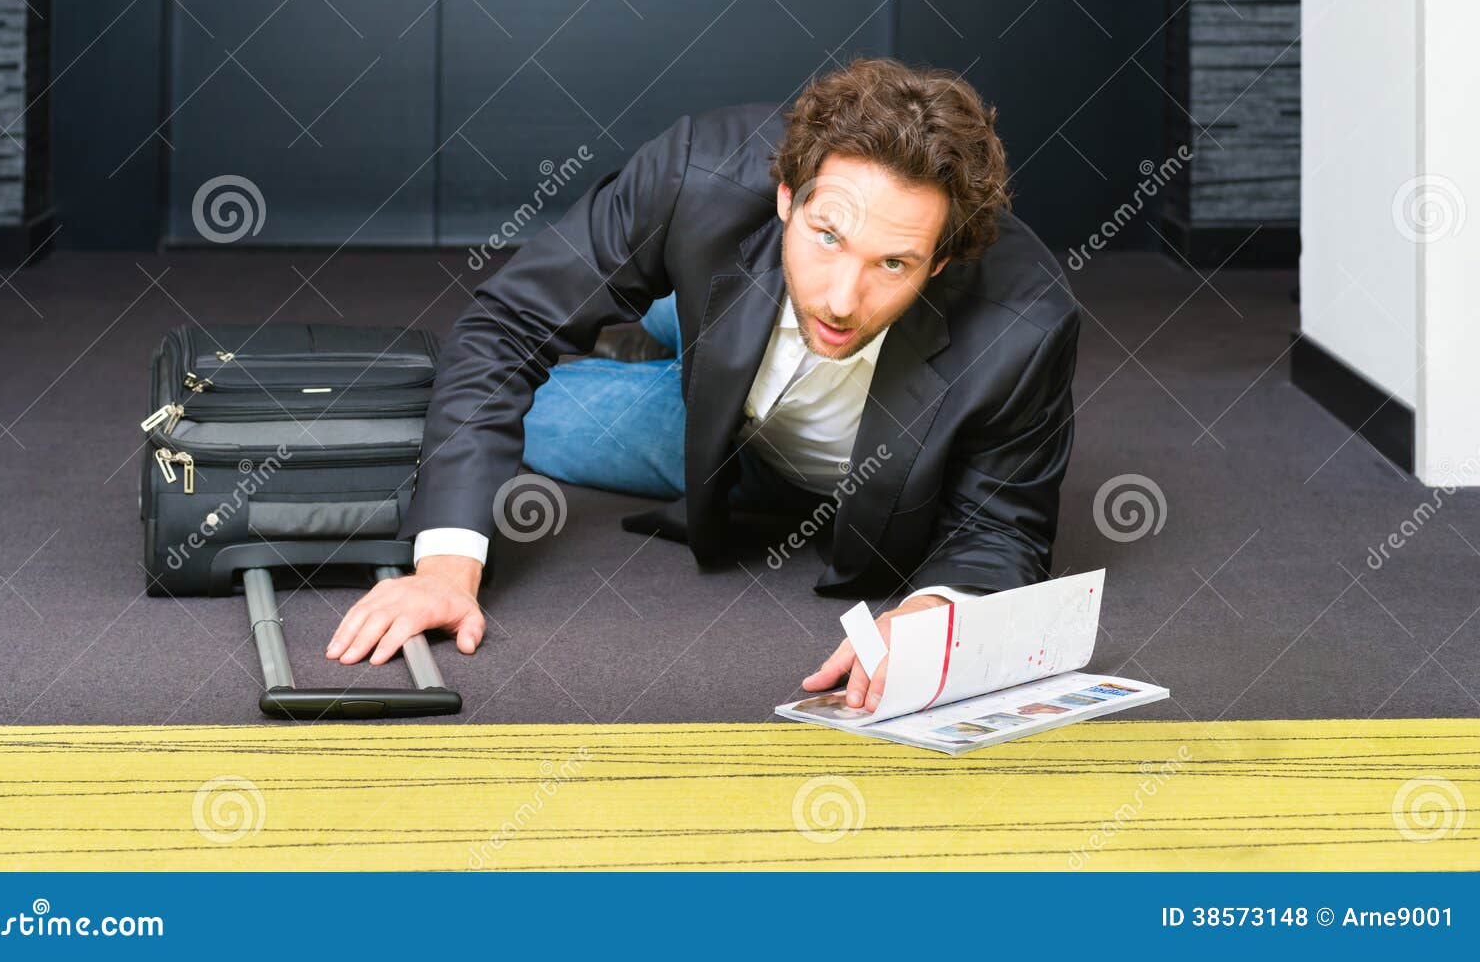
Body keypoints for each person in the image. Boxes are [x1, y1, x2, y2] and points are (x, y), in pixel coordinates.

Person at [326, 57, 1080, 713]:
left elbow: (1001, 529)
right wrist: (446, 569)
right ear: (787, 196)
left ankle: (667, 332)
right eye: (828, 237)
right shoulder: (702, 175)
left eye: (894, 264)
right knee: (528, 374)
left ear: (939, 263)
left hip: (744, 451)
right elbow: (509, 325)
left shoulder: (1025, 324)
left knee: (548, 424)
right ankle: (657, 314)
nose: (845, 298)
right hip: (732, 301)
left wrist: (933, 613)